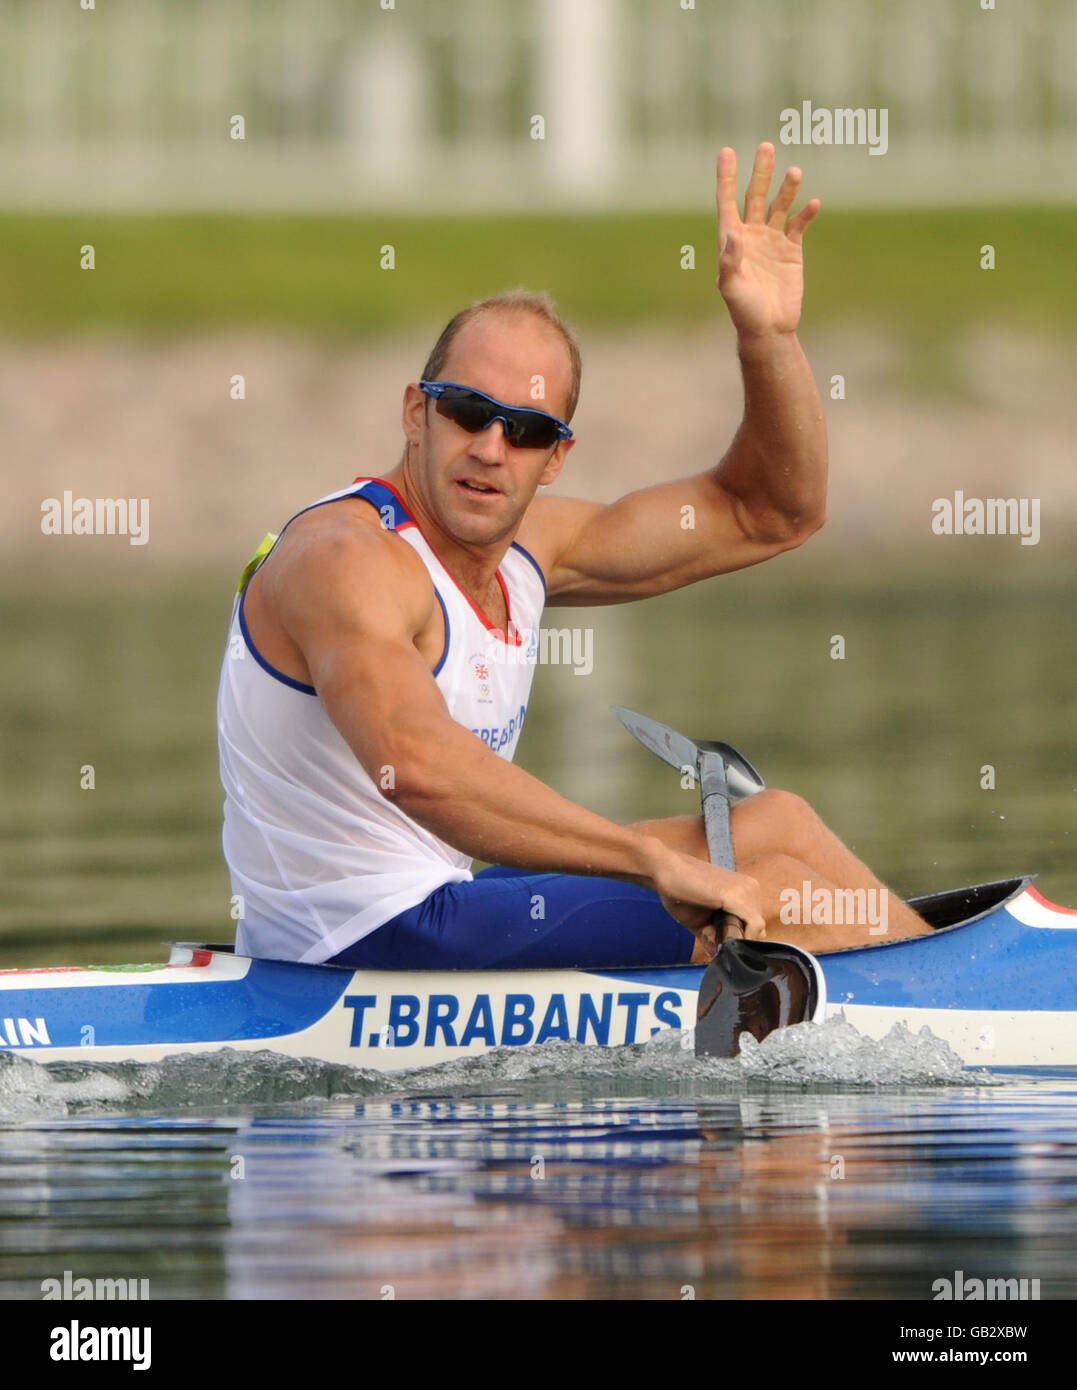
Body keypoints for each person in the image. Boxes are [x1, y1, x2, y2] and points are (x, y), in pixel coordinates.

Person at [218, 143, 931, 970]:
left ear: (554, 457)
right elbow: (409, 762)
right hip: (354, 940)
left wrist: (766, 337)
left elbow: (770, 512)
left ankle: (961, 995)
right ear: (416, 412)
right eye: (466, 412)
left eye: (523, 430)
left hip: (442, 900)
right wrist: (651, 862)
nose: (490, 448)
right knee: (771, 892)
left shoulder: (531, 550)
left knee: (776, 824)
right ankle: (981, 1025)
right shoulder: (344, 557)